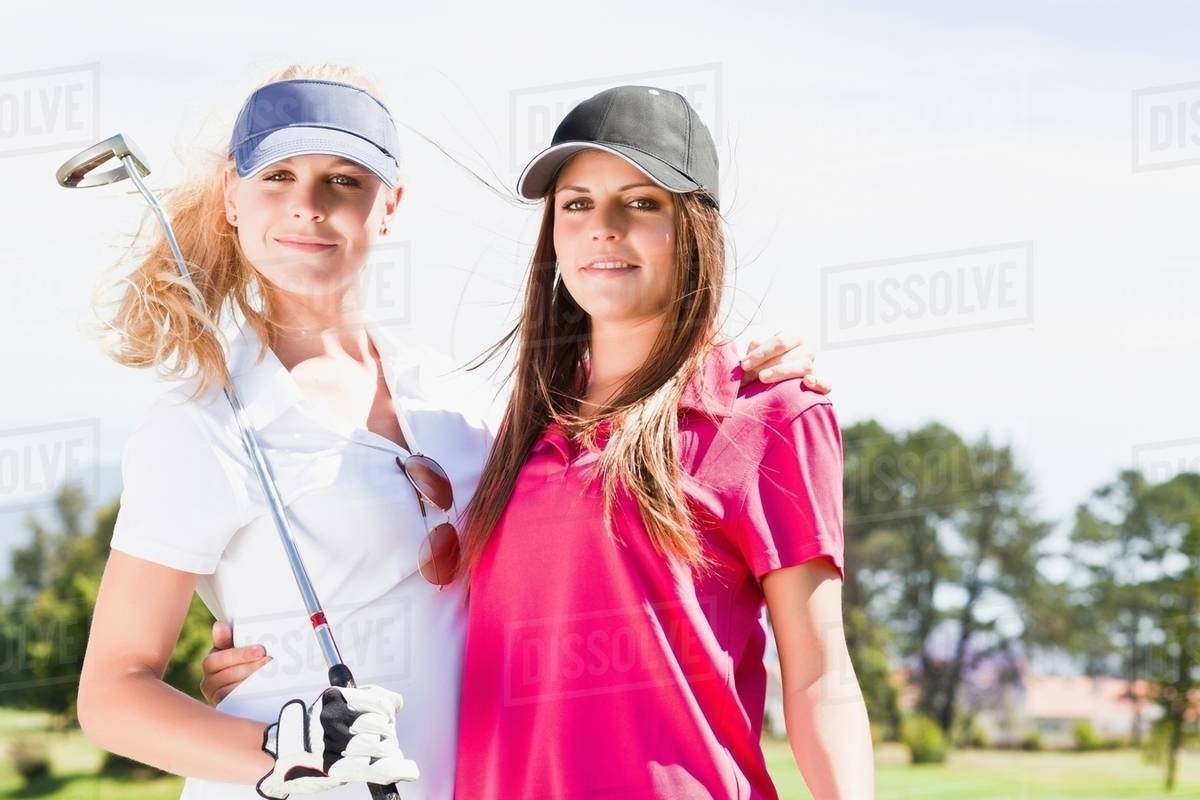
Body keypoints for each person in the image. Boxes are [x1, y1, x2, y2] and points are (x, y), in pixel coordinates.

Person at [80, 65, 823, 800]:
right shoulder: (199, 426)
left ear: (390, 205)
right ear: (231, 199)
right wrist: (279, 748)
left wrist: (751, 366)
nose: (307, 206)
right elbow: (112, 695)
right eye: (277, 178)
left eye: (343, 181)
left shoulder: (468, 404)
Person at [452, 86, 875, 798]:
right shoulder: (513, 438)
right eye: (577, 203)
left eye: (641, 202)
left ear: (695, 228)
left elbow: (820, 673)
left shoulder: (772, 412)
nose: (603, 228)